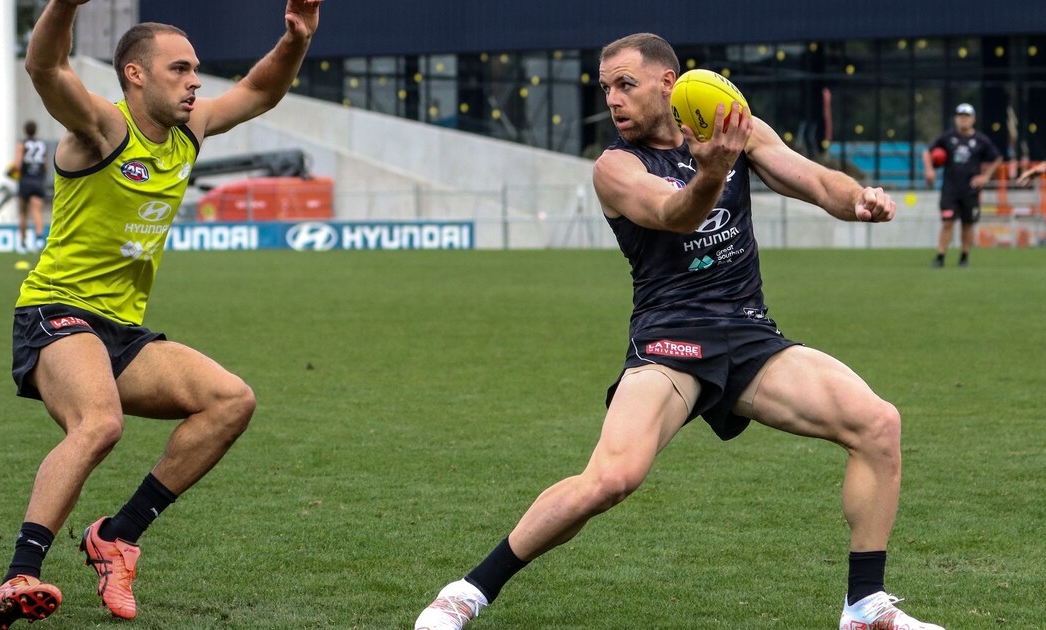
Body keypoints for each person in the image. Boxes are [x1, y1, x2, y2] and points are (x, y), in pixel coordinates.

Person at [415, 33, 945, 630]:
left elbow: (818, 182)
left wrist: (861, 200)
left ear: (669, 84)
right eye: (605, 87)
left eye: (625, 84)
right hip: (671, 340)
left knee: (878, 424)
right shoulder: (616, 167)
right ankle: (467, 591)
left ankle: (864, 607)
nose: (612, 100)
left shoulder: (735, 128)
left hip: (748, 333)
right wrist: (713, 170)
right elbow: (675, 214)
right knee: (612, 478)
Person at [0, 0, 322, 627]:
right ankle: (19, 575)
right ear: (136, 74)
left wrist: (295, 39)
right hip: (57, 313)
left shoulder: (191, 130)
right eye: (180, 69)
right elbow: (43, 65)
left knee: (229, 400)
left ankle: (117, 536)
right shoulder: (102, 130)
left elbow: (260, 90)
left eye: (196, 70)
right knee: (100, 423)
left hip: (120, 331)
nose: (195, 81)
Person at [922, 103, 1002, 268]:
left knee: (968, 224)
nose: (963, 120)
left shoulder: (980, 140)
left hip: (970, 190)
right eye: (960, 116)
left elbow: (997, 158)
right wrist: (929, 170)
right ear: (956, 118)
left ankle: (964, 257)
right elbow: (927, 152)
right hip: (950, 188)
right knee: (947, 222)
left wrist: (985, 177)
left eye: (966, 116)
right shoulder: (947, 137)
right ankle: (940, 256)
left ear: (973, 119)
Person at [10, 120, 48, 252]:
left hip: (25, 180)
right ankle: (38, 240)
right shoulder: (42, 145)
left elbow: (17, 165)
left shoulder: (22, 144)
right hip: (38, 180)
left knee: (23, 213)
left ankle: (23, 243)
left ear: (25, 130)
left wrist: (11, 172)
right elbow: (45, 166)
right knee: (37, 212)